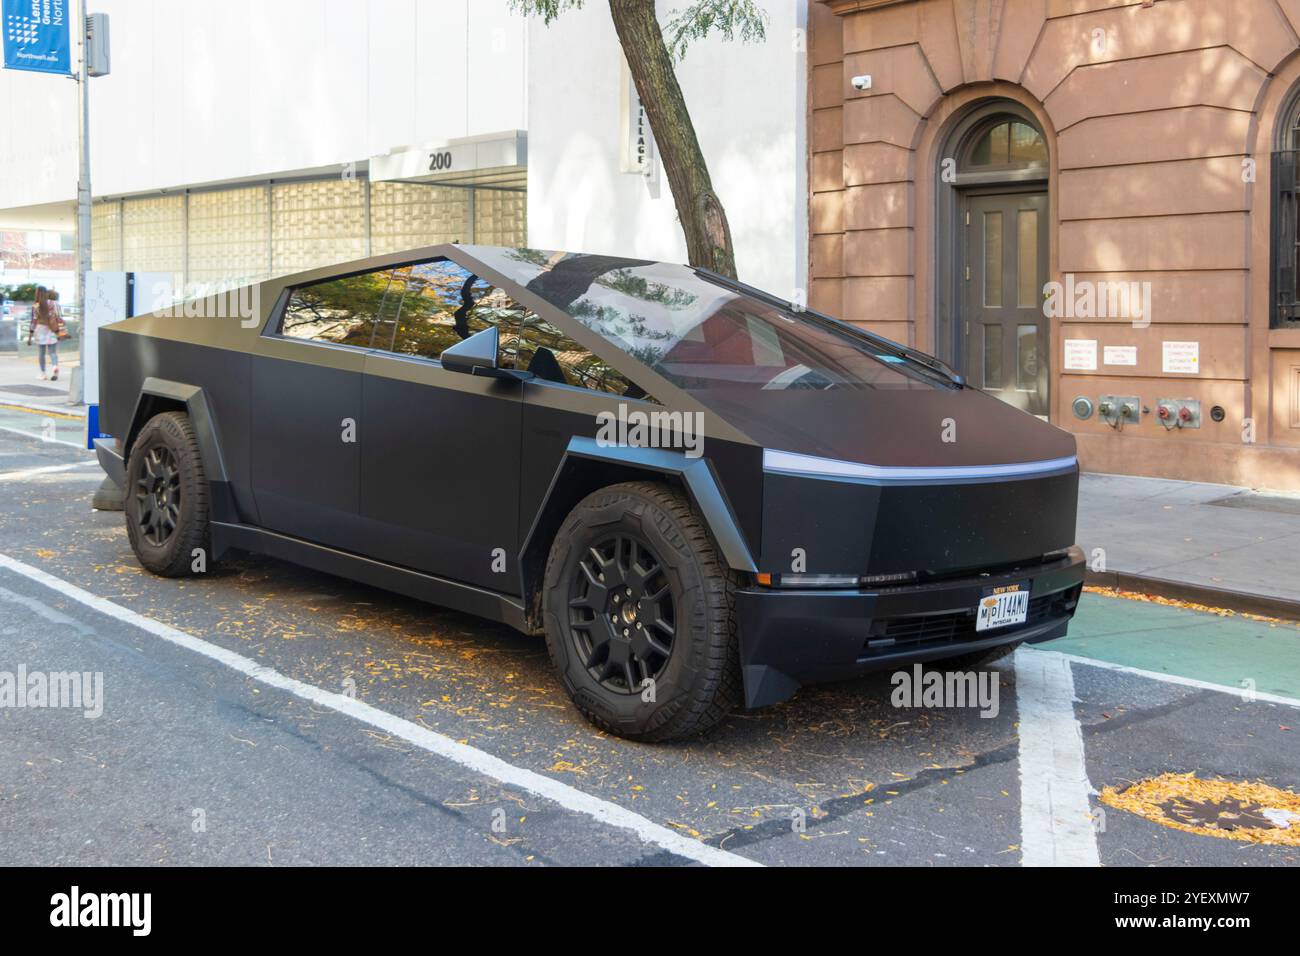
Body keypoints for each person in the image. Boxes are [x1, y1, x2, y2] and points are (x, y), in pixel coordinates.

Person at [26, 286, 63, 381]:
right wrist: (59, 332)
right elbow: (59, 318)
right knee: (53, 353)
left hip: (40, 330)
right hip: (51, 329)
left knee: (41, 353)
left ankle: (43, 374)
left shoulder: (36, 305)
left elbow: (33, 321)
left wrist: (30, 336)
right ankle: (55, 369)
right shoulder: (54, 303)